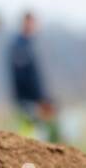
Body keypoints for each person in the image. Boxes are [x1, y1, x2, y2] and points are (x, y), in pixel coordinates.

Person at [9, 12, 60, 141]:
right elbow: (23, 78)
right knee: (30, 136)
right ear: (26, 23)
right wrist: (39, 99)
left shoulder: (29, 45)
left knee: (37, 134)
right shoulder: (20, 46)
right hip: (27, 100)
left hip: (33, 100)